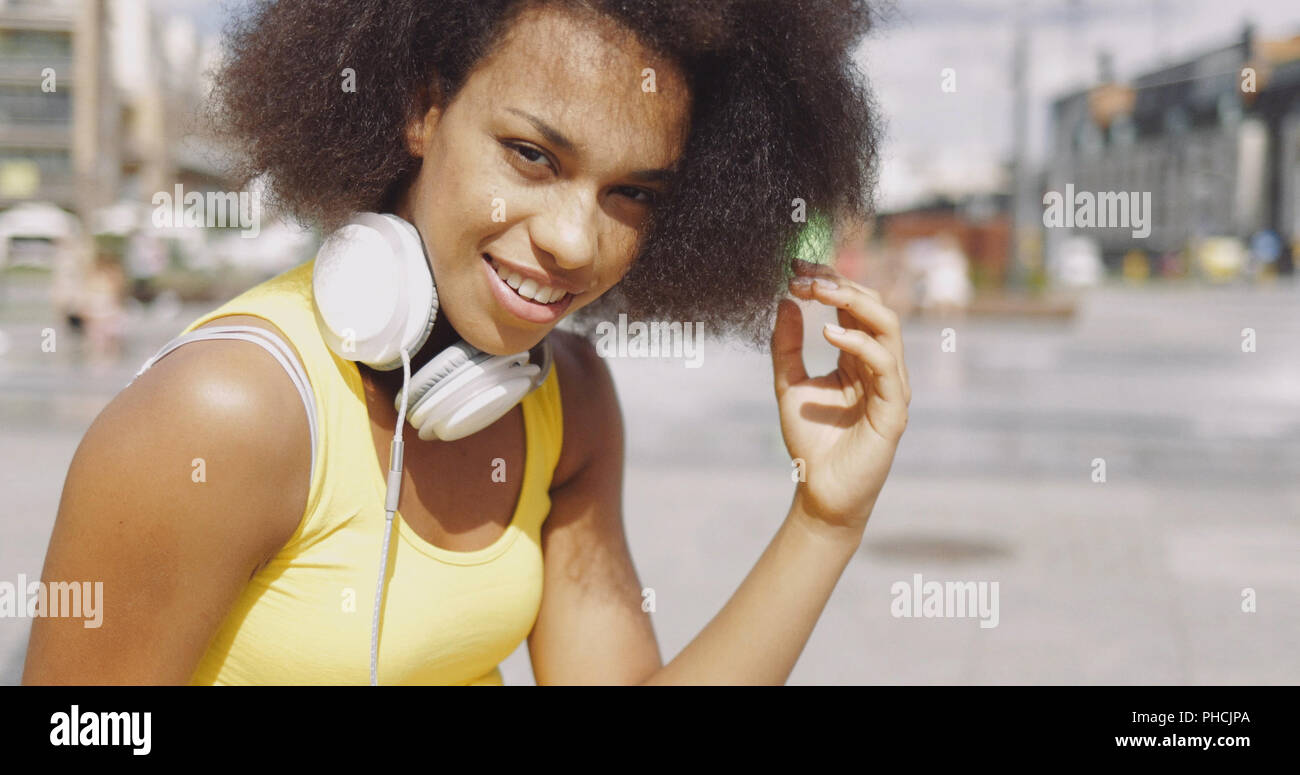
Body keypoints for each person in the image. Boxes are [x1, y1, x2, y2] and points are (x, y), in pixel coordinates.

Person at [23, 0, 908, 685]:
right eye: (532, 154)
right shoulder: (225, 414)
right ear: (423, 109)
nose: (574, 239)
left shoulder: (570, 402)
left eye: (631, 193)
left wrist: (825, 518)